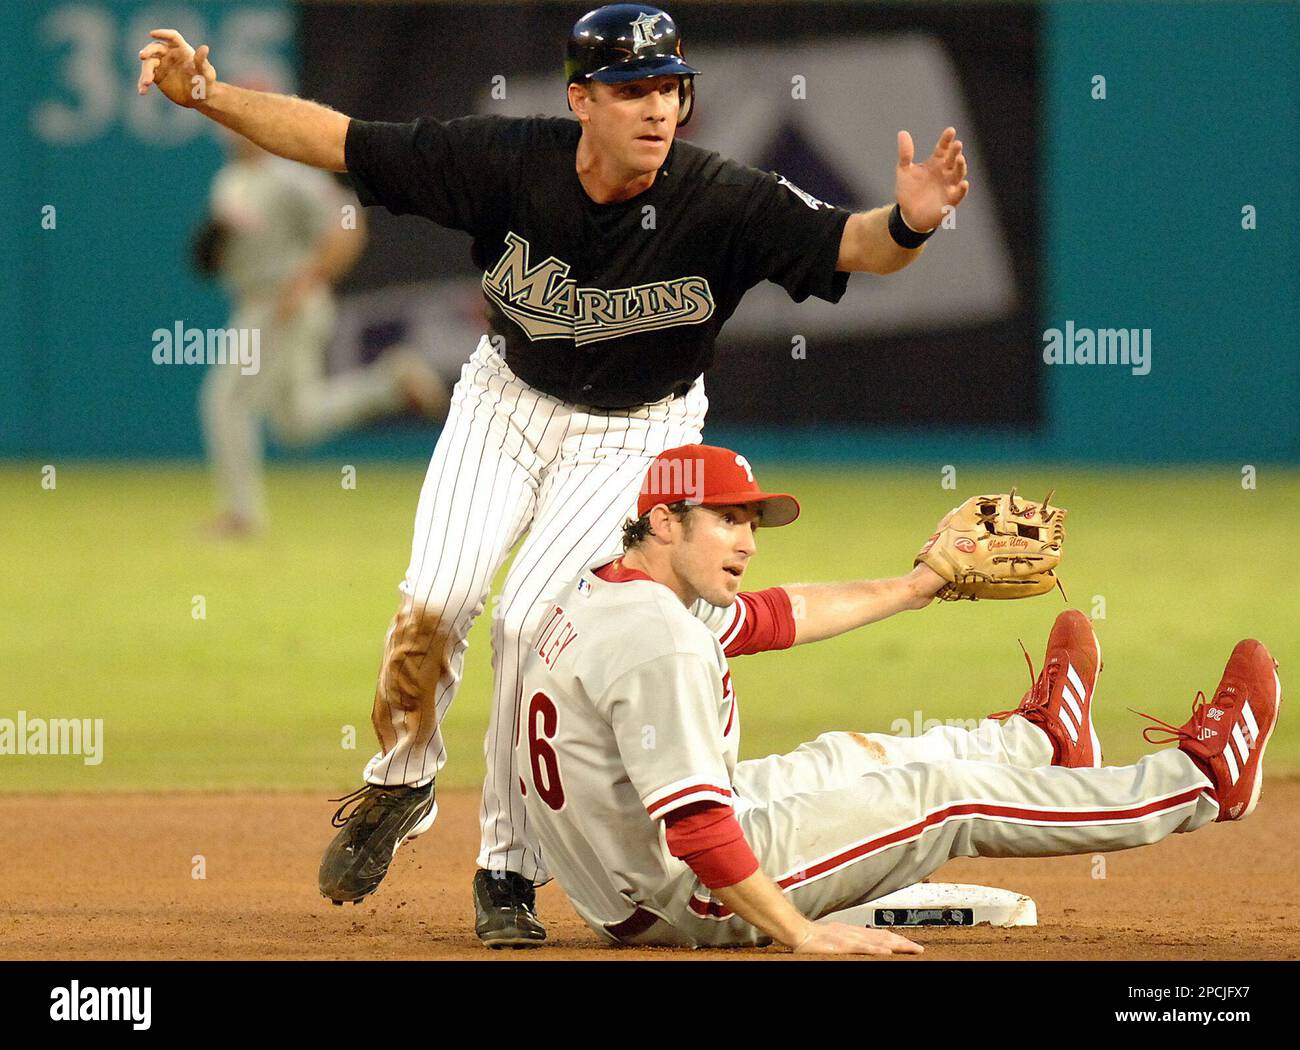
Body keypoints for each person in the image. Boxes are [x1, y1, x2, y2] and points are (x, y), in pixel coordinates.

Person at [137, 3, 971, 943]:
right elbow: (338, 138)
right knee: (439, 601)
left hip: (639, 433)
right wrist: (206, 96)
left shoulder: (721, 197)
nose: (656, 108)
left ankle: (506, 867)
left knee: (538, 622)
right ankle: (402, 786)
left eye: (669, 88)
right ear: (582, 98)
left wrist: (911, 220)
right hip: (506, 402)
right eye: (630, 90)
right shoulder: (506, 163)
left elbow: (853, 245)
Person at [515, 443, 1281, 953]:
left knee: (844, 757)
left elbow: (781, 616)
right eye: (726, 519)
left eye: (752, 520)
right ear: (662, 521)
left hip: (620, 872)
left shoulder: (603, 591)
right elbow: (697, 827)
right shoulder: (661, 642)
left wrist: (920, 586)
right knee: (941, 800)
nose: (748, 541)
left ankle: (1039, 744)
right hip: (685, 894)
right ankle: (1201, 783)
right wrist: (801, 934)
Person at [196, 109, 447, 538]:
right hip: (255, 302)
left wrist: (306, 281)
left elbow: (347, 224)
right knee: (295, 422)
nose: (231, 129)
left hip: (284, 303)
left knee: (226, 403)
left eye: (238, 119)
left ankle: (242, 515)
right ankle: (390, 383)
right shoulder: (229, 180)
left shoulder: (288, 176)